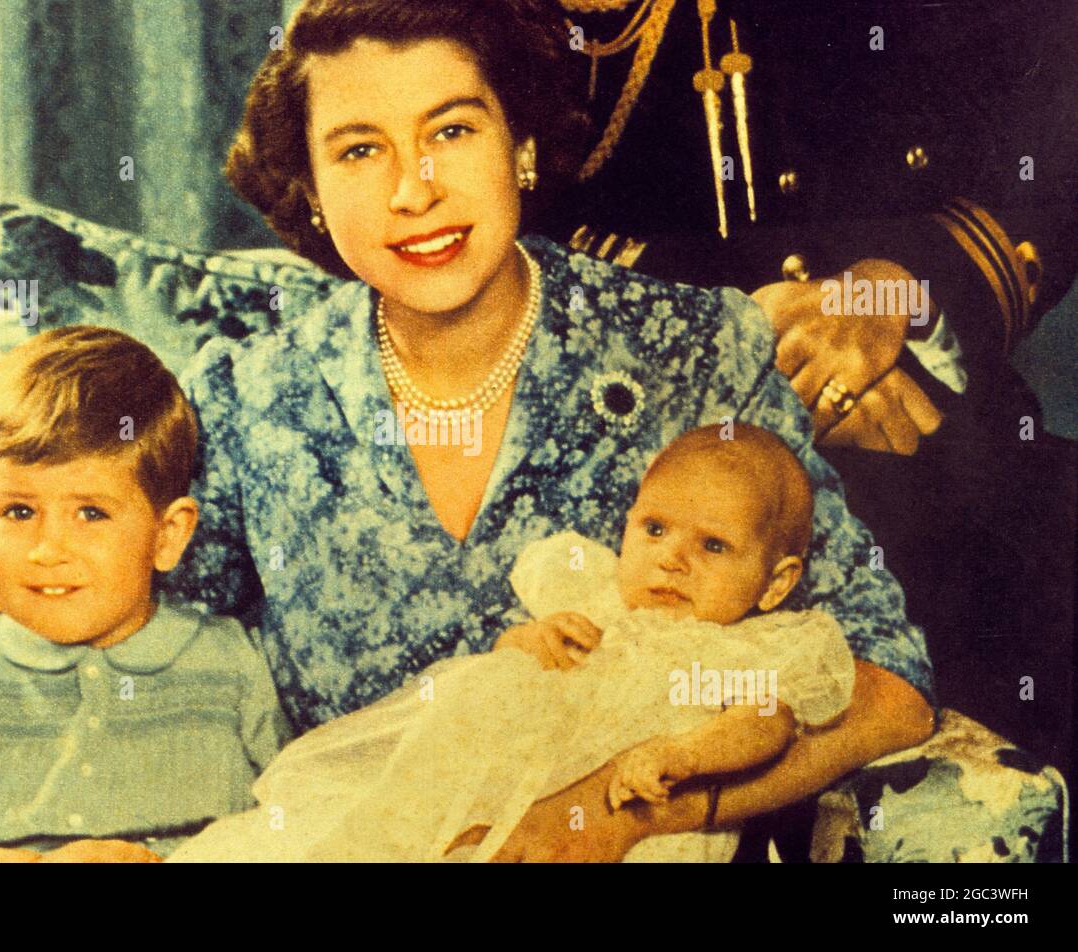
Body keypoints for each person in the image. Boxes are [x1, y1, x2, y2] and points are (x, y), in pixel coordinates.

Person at [166, 0, 935, 862]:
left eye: (451, 131)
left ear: (522, 146)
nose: (413, 190)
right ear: (309, 187)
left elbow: (889, 687)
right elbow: (129, 632)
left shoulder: (693, 355)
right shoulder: (250, 398)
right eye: (359, 150)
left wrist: (615, 818)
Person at [531, 0, 1078, 780]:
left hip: (928, 426)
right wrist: (744, 336)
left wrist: (898, 288)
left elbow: (1045, 158)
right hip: (632, 466)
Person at [169, 424, 855, 863]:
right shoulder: (595, 598)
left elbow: (766, 724)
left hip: (626, 813)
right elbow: (507, 659)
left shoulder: (746, 651)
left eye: (712, 545)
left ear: (775, 582)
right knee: (401, 795)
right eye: (654, 530)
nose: (672, 559)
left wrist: (679, 754)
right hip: (493, 776)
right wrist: (534, 638)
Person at [0, 327, 288, 862]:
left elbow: (294, 811)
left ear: (167, 535)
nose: (48, 549)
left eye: (92, 513)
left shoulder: (232, 661)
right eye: (19, 512)